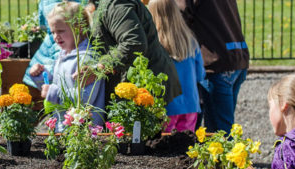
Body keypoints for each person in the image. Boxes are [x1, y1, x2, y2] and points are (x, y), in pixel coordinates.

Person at [86, 0, 181, 105]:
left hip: (146, 91)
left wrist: (99, 68)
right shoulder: (103, 4)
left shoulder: (115, 4)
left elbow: (133, 43)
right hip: (141, 88)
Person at [28, 1, 104, 129]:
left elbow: (85, 98)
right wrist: (41, 75)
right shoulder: (63, 54)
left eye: (61, 31)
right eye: (52, 32)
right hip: (64, 127)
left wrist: (52, 92)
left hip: (83, 131)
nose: (56, 37)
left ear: (78, 28)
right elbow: (53, 85)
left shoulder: (86, 58)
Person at [176, 0, 248, 133]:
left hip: (216, 63)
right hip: (236, 57)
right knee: (223, 130)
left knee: (218, 135)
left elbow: (177, 17)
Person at [147, 0, 205, 133]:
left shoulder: (154, 45)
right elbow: (200, 74)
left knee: (164, 146)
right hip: (191, 104)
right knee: (185, 146)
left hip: (167, 105)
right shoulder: (190, 41)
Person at [23, 0, 79, 89]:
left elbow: (43, 25)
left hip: (49, 52)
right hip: (67, 49)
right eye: (54, 32)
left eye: (60, 31)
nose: (56, 36)